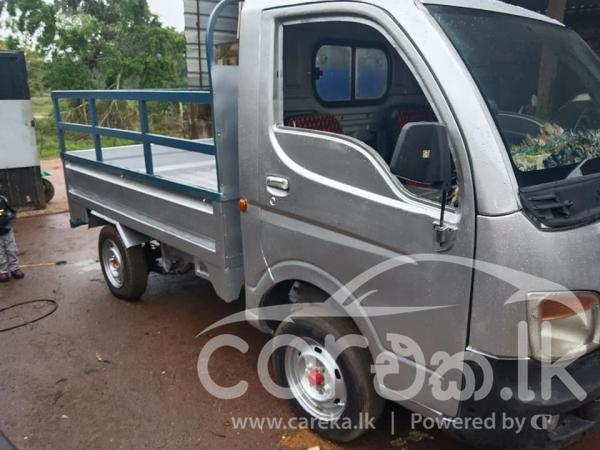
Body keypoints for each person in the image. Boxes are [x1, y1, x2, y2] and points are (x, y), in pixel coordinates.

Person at [0, 195, 24, 282]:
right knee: (0, 252)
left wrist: (11, 218)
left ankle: (14, 268)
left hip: (7, 231)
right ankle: (3, 271)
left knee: (11, 249)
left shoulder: (3, 199)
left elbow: (10, 211)